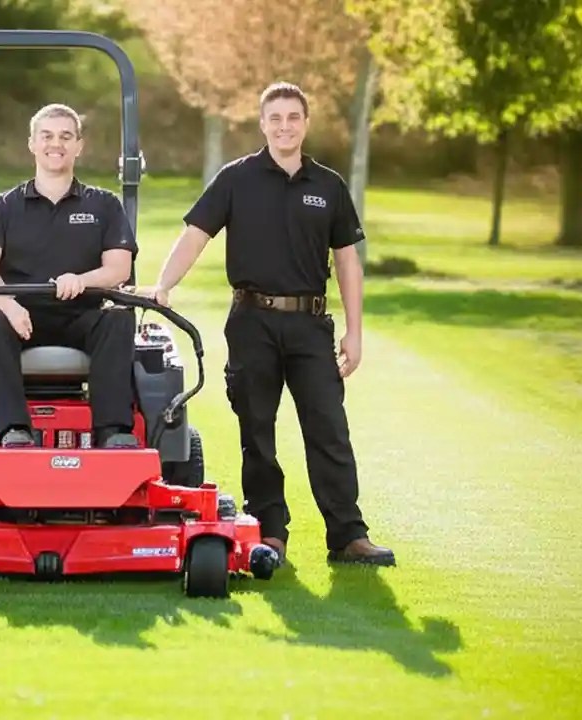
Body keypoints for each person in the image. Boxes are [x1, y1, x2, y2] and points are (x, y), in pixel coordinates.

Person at [141, 82, 395, 566]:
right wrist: (163, 285)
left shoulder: (329, 186)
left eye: (292, 117)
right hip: (252, 321)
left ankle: (347, 535)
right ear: (262, 124)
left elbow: (347, 261)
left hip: (310, 325)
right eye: (274, 118)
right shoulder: (236, 179)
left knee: (329, 429)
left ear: (305, 123)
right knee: (256, 430)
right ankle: (268, 533)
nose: (284, 126)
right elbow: (196, 236)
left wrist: (355, 333)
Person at [0, 103, 140, 450]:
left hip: (83, 315)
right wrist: (9, 306)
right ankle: (13, 431)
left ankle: (114, 432)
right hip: (21, 317)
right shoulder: (2, 207)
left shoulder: (104, 205)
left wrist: (82, 280)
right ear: (32, 143)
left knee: (118, 321)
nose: (55, 144)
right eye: (46, 136)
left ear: (79, 145)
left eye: (65, 136)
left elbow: (119, 269)